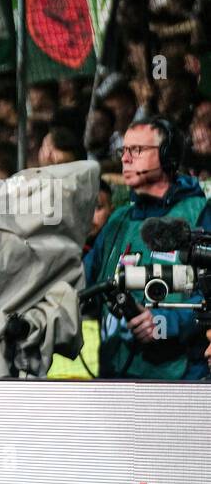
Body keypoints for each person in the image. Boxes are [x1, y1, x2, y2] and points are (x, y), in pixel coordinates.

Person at [84, 118, 211, 379]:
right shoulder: (118, 220)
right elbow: (84, 282)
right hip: (114, 375)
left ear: (167, 156)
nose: (126, 159)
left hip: (178, 377)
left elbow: (209, 294)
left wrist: (164, 322)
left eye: (137, 150)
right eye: (123, 150)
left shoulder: (200, 213)